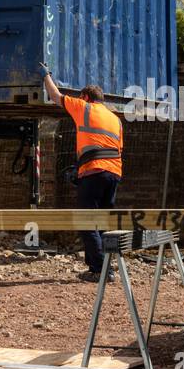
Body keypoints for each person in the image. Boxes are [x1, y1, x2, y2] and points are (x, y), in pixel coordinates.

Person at [42, 69, 123, 282]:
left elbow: (55, 96)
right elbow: (114, 149)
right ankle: (106, 267)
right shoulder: (116, 119)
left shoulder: (84, 108)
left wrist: (46, 75)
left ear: (86, 97)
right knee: (104, 222)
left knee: (87, 221)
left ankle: (100, 270)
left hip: (94, 171)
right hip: (113, 173)